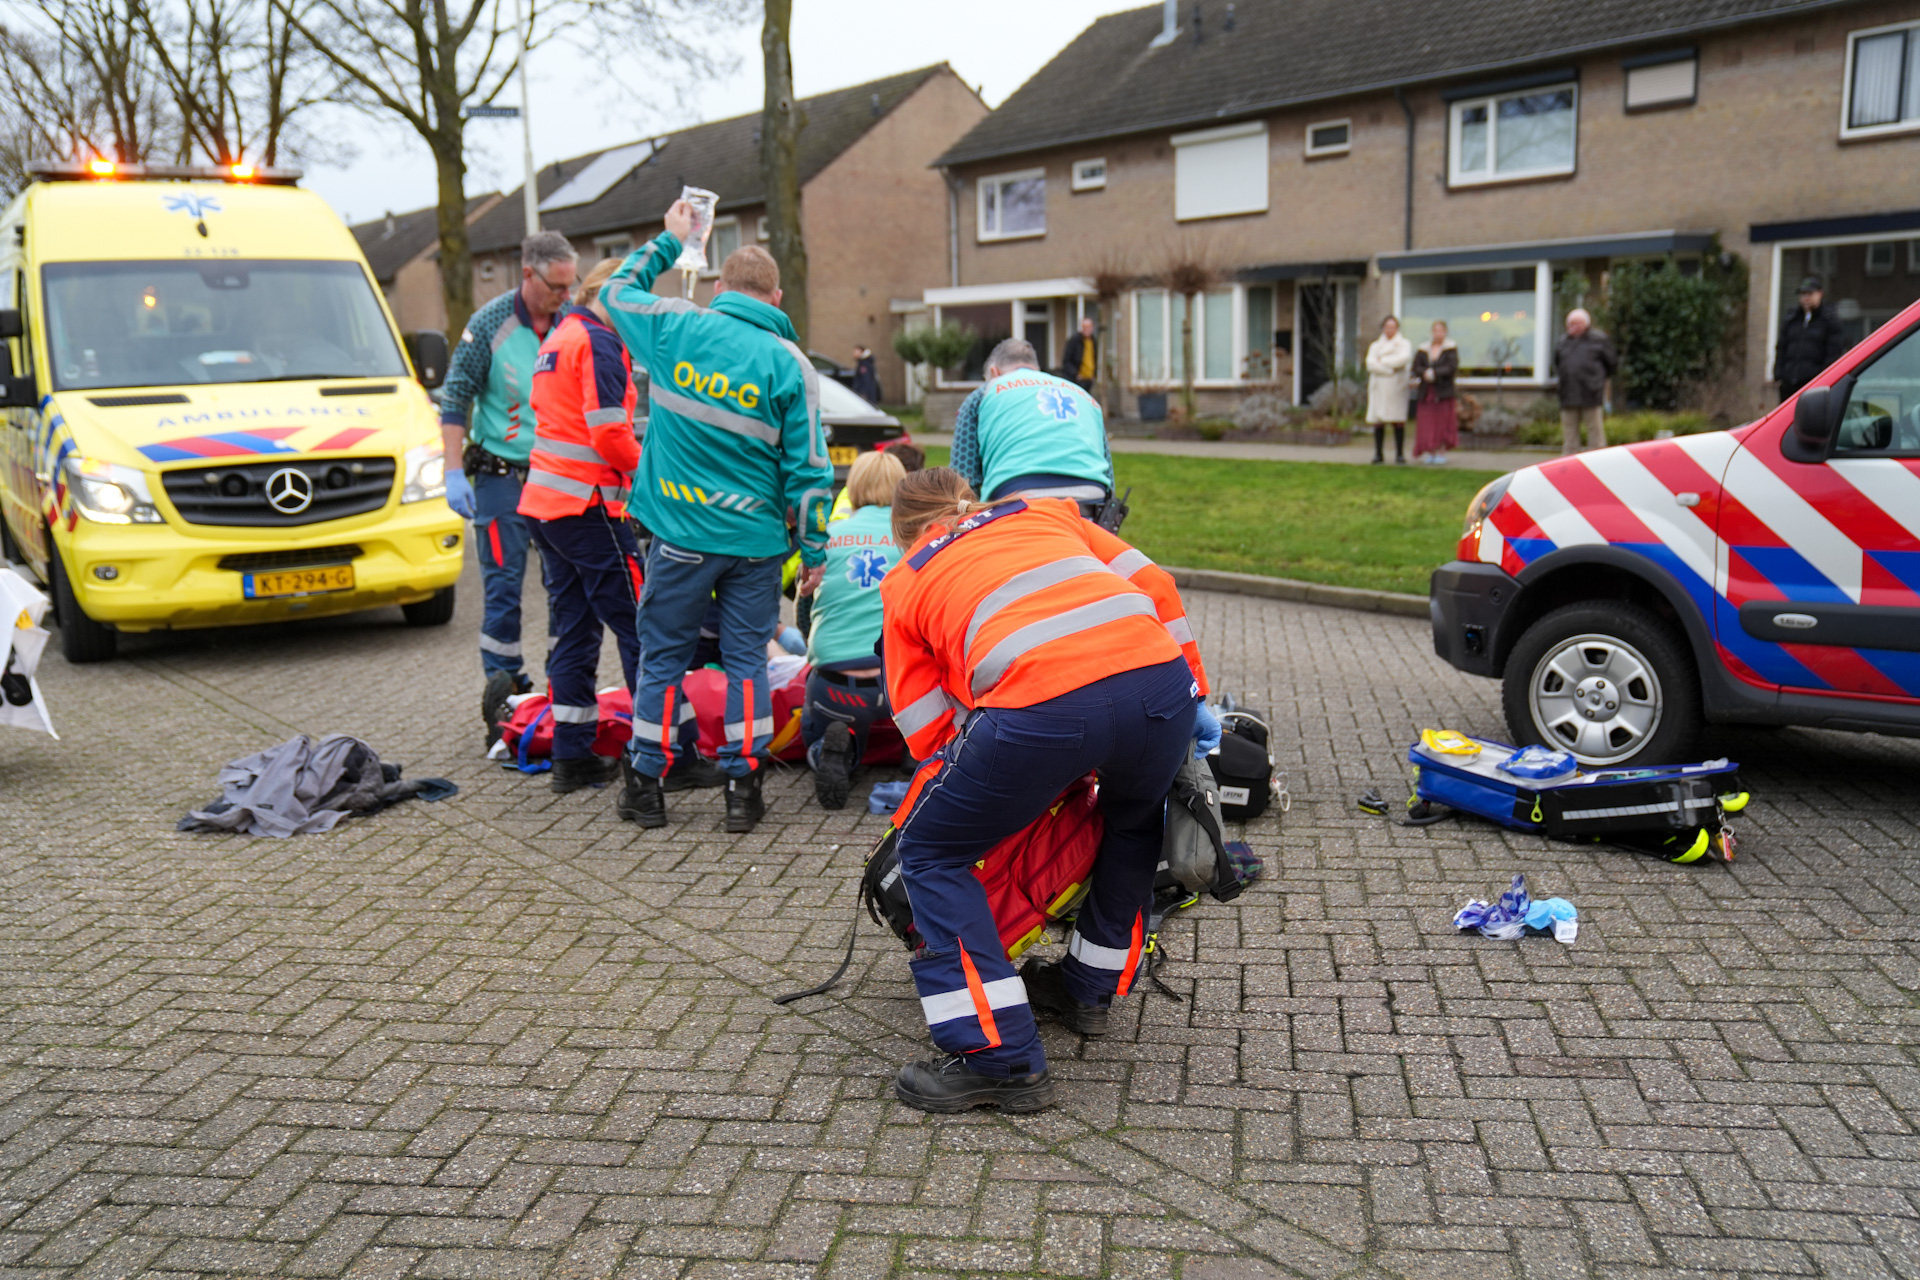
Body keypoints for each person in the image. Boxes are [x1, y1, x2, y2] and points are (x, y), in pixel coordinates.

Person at [877, 466, 1215, 1114]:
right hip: (1159, 685)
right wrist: (1193, 691)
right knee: (1131, 823)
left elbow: (925, 727)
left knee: (931, 852)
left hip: (1043, 708)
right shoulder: (1045, 511)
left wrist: (1001, 780)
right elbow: (1155, 584)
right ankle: (1087, 990)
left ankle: (998, 1058)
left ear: (910, 533)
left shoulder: (908, 578)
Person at [598, 202, 834, 834]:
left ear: (721, 286)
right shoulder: (792, 364)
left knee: (662, 658)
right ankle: (742, 790)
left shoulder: (676, 326)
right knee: (746, 663)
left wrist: (669, 240)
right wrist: (814, 554)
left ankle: (646, 785)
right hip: (755, 543)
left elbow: (614, 293)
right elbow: (811, 472)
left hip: (679, 536)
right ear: (776, 297)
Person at [517, 260, 725, 796]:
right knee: (645, 630)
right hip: (587, 506)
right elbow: (609, 434)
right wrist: (658, 478)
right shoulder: (600, 342)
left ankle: (572, 755)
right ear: (610, 295)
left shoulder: (560, 336)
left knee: (574, 627)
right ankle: (672, 755)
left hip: (546, 504)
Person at [443, 231, 579, 745]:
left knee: (565, 586)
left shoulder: (572, 322)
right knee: (503, 586)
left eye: (570, 286)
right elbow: (455, 399)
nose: (565, 295)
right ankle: (504, 691)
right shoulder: (489, 324)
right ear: (528, 274)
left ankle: (565, 687)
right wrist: (452, 470)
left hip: (558, 476)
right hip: (501, 475)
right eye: (556, 286)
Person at [799, 449, 907, 809]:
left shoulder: (825, 538)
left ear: (854, 488)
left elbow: (804, 612)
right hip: (896, 685)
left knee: (816, 723)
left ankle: (833, 749)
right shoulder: (913, 540)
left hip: (834, 684)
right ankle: (917, 751)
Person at [949, 338, 1114, 511]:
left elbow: (963, 480)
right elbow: (1108, 474)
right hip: (1092, 499)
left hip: (1018, 499)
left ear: (994, 372)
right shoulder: (1085, 397)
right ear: (1036, 369)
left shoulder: (983, 394)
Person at [1774, 275, 1849, 402]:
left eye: (1810, 293)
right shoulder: (1791, 319)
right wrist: (1779, 375)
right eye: (1803, 294)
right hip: (1788, 386)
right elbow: (1781, 348)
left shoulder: (1829, 320)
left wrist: (1821, 380)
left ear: (1820, 294)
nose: (1806, 298)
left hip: (1813, 386)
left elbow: (1833, 353)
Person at [1554, 308, 1618, 455]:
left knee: (1595, 431)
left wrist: (1597, 380)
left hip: (1591, 392)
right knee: (1570, 434)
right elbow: (1557, 364)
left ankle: (1597, 460)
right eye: (1569, 324)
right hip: (1568, 393)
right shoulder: (1562, 342)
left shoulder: (1599, 340)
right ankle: (1570, 460)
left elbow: (1611, 364)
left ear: (1585, 324)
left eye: (1575, 324)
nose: (1571, 327)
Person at [1365, 316, 1413, 465]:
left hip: (1396, 388)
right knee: (1378, 422)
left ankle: (1399, 454)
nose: (1389, 330)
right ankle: (1378, 454)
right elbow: (1370, 364)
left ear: (1397, 329)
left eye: (1392, 327)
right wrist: (1389, 370)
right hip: (1379, 388)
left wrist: (1382, 361)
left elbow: (1403, 359)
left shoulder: (1404, 344)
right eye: (1387, 327)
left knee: (1397, 421)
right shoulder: (1375, 346)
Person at [1411, 320, 1459, 466]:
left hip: (1443, 393)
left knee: (1442, 423)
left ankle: (1440, 452)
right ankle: (1430, 451)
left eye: (1441, 331)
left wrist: (1436, 373)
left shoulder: (1450, 348)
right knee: (1427, 423)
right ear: (1432, 332)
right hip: (1427, 393)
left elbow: (1451, 367)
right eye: (1435, 331)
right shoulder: (1423, 349)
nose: (1438, 334)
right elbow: (1416, 366)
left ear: (1445, 332)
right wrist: (1425, 373)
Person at [1061, 316, 1097, 393]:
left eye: (1088, 327)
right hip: (1078, 379)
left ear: (1092, 328)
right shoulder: (1075, 340)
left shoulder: (1093, 341)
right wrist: (1076, 374)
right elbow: (1066, 360)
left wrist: (1094, 374)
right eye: (1084, 327)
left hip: (1089, 378)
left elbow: (1094, 358)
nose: (1086, 329)